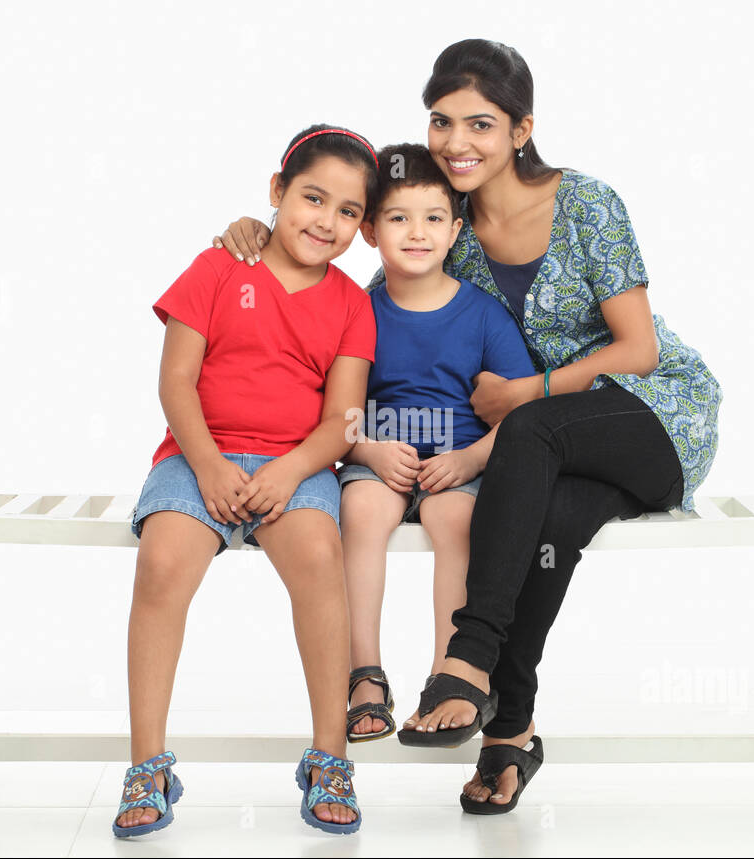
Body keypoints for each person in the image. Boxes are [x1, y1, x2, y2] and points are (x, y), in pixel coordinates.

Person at [213, 40, 723, 815]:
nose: (457, 142)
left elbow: (639, 348)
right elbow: (347, 300)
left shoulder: (585, 203)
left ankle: (466, 655)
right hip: (550, 451)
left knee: (529, 434)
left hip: (650, 415)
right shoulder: (442, 228)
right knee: (542, 527)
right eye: (441, 122)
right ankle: (507, 736)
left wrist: (528, 390)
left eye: (480, 124)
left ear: (521, 129)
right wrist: (258, 228)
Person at [116, 123, 379, 837]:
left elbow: (344, 420)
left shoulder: (354, 304)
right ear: (277, 192)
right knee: (162, 562)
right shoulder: (219, 267)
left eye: (348, 211)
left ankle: (331, 754)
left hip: (298, 466)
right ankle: (147, 762)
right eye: (312, 198)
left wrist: (294, 468)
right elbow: (176, 380)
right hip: (197, 453)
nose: (326, 221)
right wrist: (205, 463)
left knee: (322, 560)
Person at [332, 143, 536, 743]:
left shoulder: (484, 316)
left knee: (461, 524)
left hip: (461, 465)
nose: (416, 233)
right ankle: (363, 674)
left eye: (433, 218)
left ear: (455, 231)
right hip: (381, 461)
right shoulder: (357, 313)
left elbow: (524, 414)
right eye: (398, 218)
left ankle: (450, 672)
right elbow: (335, 411)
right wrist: (366, 450)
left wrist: (471, 458)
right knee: (360, 511)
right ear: (370, 231)